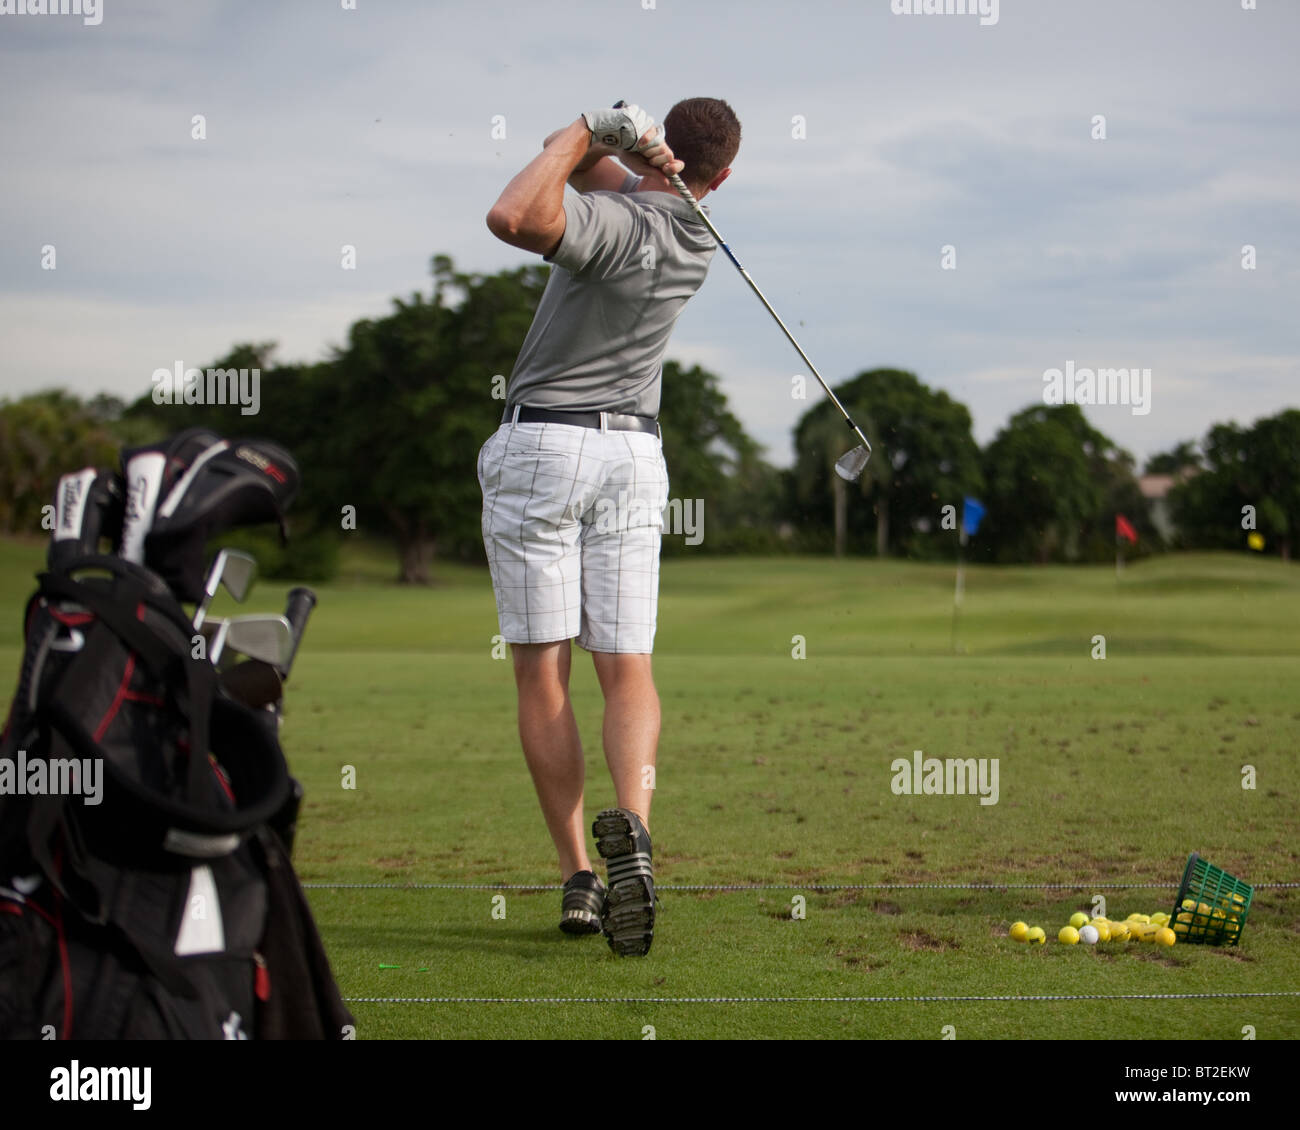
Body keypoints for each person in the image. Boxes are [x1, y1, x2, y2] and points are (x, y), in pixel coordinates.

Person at [479, 99, 741, 956]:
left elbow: (514, 212)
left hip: (547, 446)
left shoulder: (616, 225)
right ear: (724, 177)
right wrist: (623, 149)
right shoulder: (696, 235)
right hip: (634, 458)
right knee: (626, 670)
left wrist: (585, 126)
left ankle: (580, 875)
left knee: (543, 674)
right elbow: (608, 179)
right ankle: (635, 826)